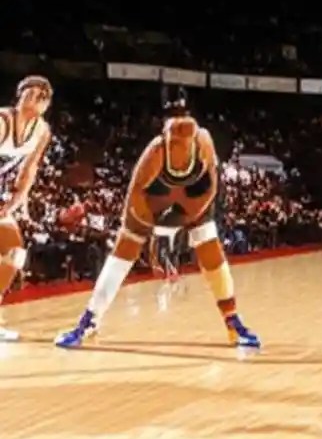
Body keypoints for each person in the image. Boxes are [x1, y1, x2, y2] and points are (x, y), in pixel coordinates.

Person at [54, 90, 260, 350]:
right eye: (172, 119)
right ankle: (89, 320)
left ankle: (233, 322)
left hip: (194, 204)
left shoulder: (204, 141)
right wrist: (157, 235)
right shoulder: (155, 152)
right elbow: (136, 195)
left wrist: (179, 224)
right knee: (122, 255)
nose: (178, 124)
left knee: (213, 255)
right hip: (148, 207)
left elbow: (210, 188)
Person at [0, 75, 53, 342]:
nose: (36, 98)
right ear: (18, 96)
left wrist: (16, 202)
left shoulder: (42, 131)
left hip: (1, 197)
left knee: (15, 253)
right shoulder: (2, 121)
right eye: (30, 93)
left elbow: (29, 170)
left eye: (42, 95)